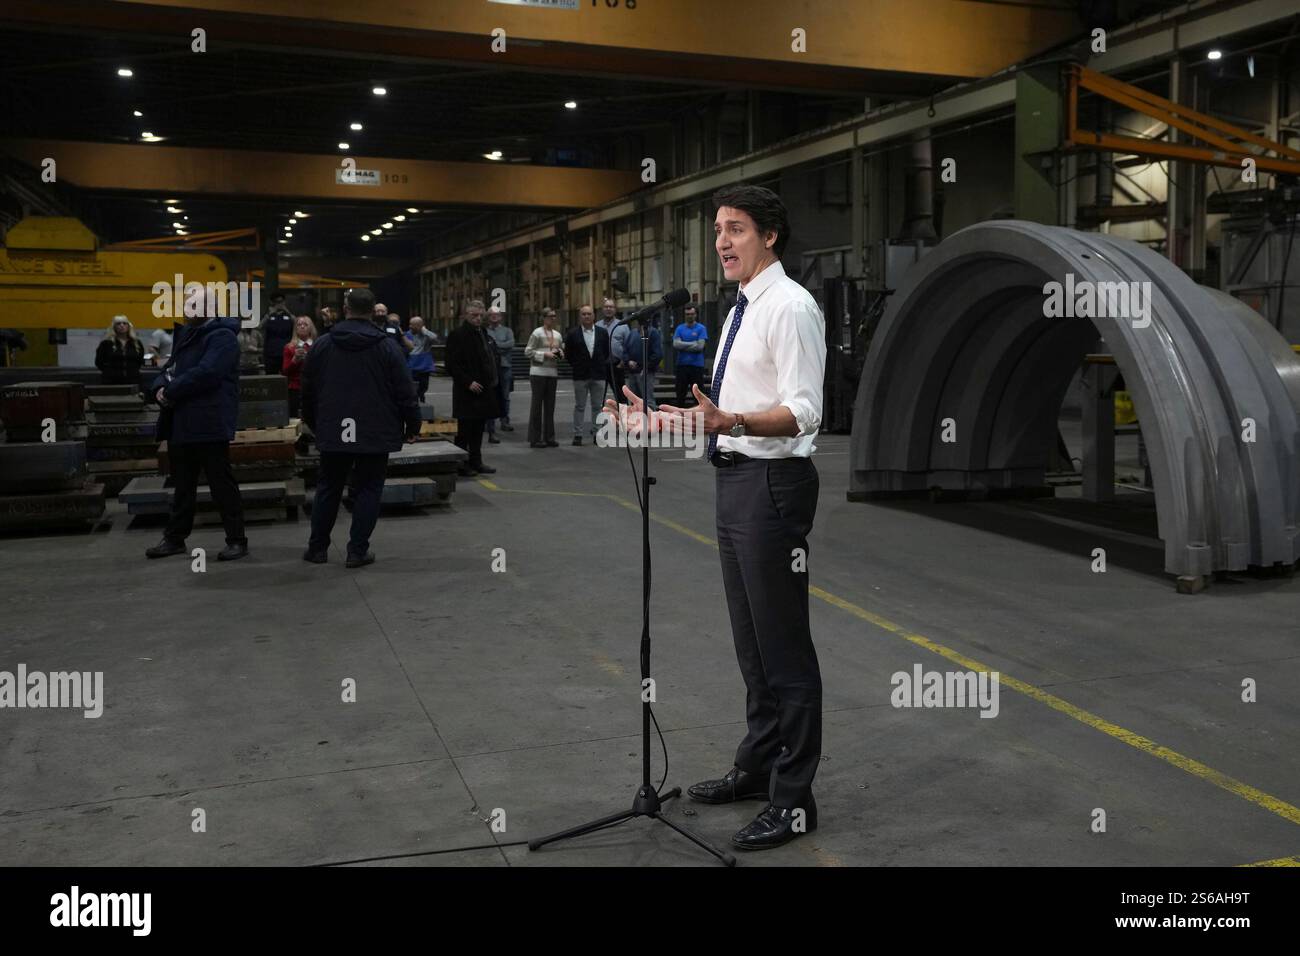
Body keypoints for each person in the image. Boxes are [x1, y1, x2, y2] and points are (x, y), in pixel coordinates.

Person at [604, 184, 826, 851]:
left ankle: (795, 801)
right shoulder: (738, 309)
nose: (723, 242)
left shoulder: (790, 306)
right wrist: (657, 420)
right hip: (735, 484)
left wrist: (732, 420)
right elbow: (721, 416)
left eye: (736, 229)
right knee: (751, 645)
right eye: (718, 230)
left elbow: (806, 410)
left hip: (774, 485)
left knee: (784, 651)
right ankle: (759, 766)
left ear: (770, 236)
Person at [301, 288, 420, 568]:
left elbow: (308, 390)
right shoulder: (387, 346)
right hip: (374, 428)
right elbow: (405, 391)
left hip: (334, 427)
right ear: (372, 311)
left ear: (345, 308)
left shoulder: (324, 344)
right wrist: (413, 423)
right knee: (368, 488)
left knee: (329, 487)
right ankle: (357, 551)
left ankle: (317, 549)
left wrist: (314, 423)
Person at [146, 311, 247, 562]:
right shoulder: (187, 335)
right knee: (182, 485)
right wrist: (159, 387)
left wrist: (170, 391)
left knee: (221, 485)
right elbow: (170, 368)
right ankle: (175, 538)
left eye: (192, 305)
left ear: (207, 310)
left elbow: (208, 373)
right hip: (181, 422)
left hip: (208, 423)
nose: (185, 310)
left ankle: (236, 540)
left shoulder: (222, 337)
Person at [444, 299, 500, 476]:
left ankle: (476, 462)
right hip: (466, 391)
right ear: (466, 315)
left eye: (480, 315)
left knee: (478, 429)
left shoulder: (482, 332)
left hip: (483, 389)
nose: (477, 318)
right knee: (463, 431)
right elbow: (451, 364)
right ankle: (461, 464)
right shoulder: (457, 335)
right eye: (474, 315)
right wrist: (467, 382)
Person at [564, 304, 610, 445]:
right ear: (580, 316)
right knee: (580, 406)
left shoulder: (603, 333)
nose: (586, 316)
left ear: (594, 316)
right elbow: (568, 355)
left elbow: (606, 352)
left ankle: (597, 433)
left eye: (589, 314)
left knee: (597, 406)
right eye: (583, 314)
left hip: (599, 374)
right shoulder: (572, 334)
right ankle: (578, 434)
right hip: (580, 375)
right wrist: (578, 365)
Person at [525, 308, 563, 448]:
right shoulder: (537, 333)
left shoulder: (558, 335)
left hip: (552, 373)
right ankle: (535, 438)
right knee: (536, 407)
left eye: (554, 316)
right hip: (538, 373)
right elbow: (528, 352)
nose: (553, 318)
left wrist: (560, 354)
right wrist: (544, 355)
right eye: (550, 316)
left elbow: (559, 350)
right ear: (544, 318)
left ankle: (549, 437)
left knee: (550, 407)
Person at [484, 308, 515, 440]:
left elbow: (511, 344)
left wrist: (494, 346)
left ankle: (505, 421)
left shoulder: (507, 331)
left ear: (501, 317)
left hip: (505, 366)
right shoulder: (485, 331)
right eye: (491, 315)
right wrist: (500, 347)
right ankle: (489, 424)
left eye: (496, 314)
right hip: (490, 368)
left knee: (505, 395)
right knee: (490, 396)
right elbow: (485, 347)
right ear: (488, 317)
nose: (494, 317)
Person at [622, 313, 662, 411]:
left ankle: (652, 424)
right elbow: (625, 351)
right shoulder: (632, 333)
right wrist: (628, 361)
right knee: (634, 401)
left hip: (646, 372)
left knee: (648, 401)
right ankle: (637, 423)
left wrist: (646, 367)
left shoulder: (653, 333)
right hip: (632, 373)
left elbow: (657, 354)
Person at [672, 304, 708, 405]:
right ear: (684, 315)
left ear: (695, 315)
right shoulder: (679, 329)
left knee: (697, 396)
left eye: (692, 314)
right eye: (687, 314)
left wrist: (683, 345)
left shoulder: (701, 328)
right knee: (680, 394)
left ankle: (699, 419)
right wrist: (693, 343)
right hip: (682, 366)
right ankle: (680, 419)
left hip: (696, 366)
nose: (689, 316)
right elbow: (676, 344)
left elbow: (700, 346)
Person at [281, 315, 316, 419]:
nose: (302, 326)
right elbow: (285, 371)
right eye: (299, 324)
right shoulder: (289, 347)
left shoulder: (317, 345)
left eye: (305, 324)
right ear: (295, 329)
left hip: (314, 387)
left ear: (311, 327)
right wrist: (295, 360)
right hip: (295, 388)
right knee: (295, 419)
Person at [95, 316, 147, 385]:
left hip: (133, 380)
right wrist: (109, 372)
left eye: (124, 323)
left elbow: (140, 361)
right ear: (114, 327)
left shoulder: (136, 343)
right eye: (118, 324)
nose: (122, 325)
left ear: (128, 326)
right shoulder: (106, 343)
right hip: (111, 381)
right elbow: (99, 362)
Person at [259, 292, 294, 376]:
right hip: (271, 352)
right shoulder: (268, 315)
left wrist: (287, 311)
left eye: (281, 302)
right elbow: (259, 326)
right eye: (277, 302)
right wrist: (270, 313)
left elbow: (298, 323)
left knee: (287, 376)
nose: (279, 304)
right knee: (271, 376)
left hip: (286, 351)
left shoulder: (288, 315)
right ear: (272, 303)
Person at [405, 315, 437, 403]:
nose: (410, 326)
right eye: (410, 324)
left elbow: (435, 338)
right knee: (411, 387)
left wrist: (424, 330)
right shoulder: (407, 334)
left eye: (413, 325)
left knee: (423, 386)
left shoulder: (426, 336)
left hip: (424, 366)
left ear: (420, 326)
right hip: (411, 366)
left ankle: (421, 399)